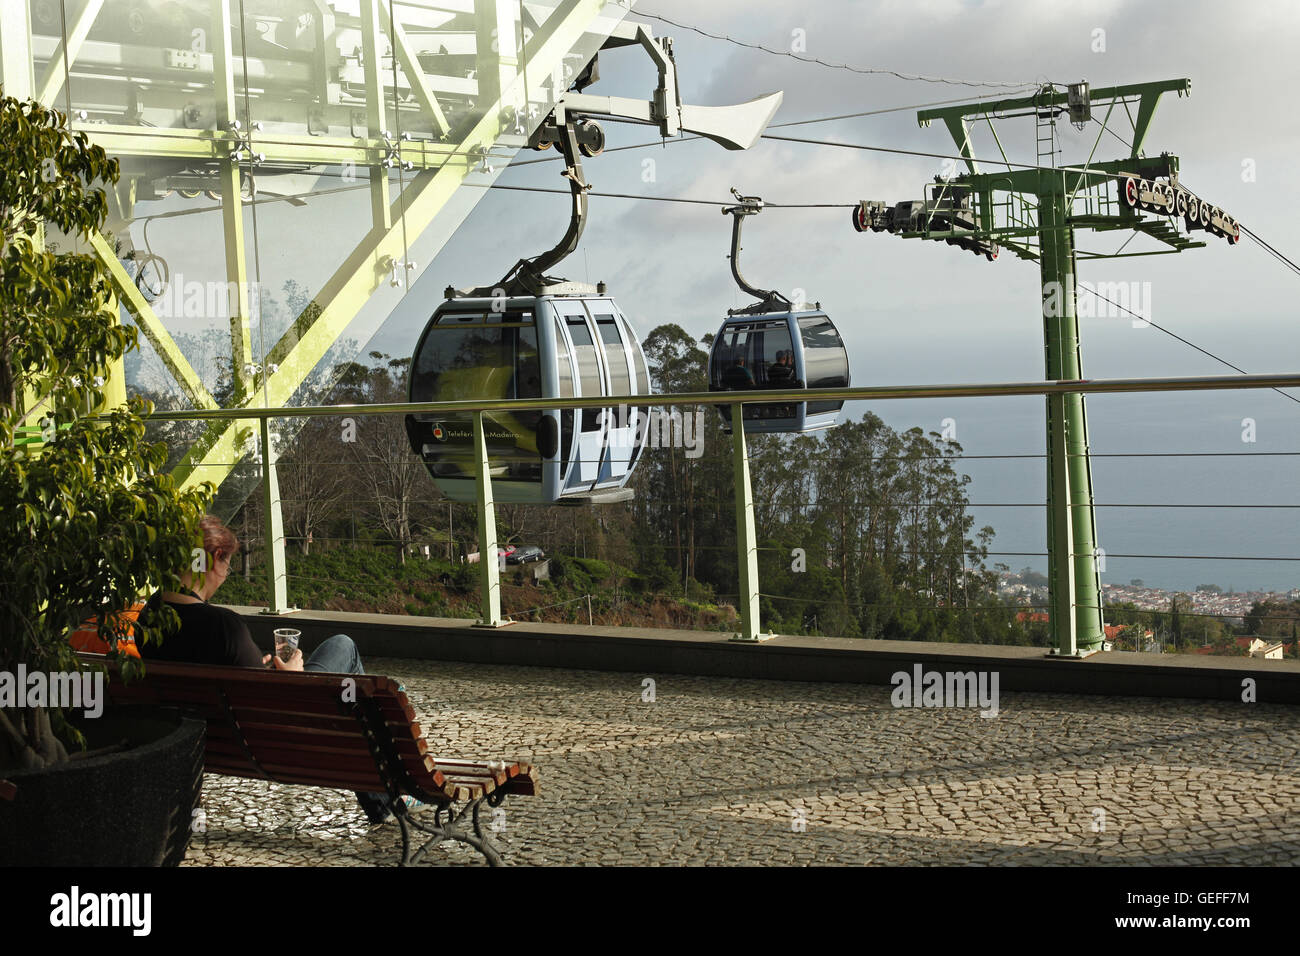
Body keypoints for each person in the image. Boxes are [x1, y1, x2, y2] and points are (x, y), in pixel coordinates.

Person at [138, 515, 400, 824]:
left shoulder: (148, 616)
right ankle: (386, 799)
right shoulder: (223, 626)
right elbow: (274, 706)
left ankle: (383, 798)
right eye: (227, 566)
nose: (225, 576)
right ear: (214, 559)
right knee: (343, 647)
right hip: (273, 741)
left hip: (202, 737)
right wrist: (292, 674)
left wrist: (261, 669)